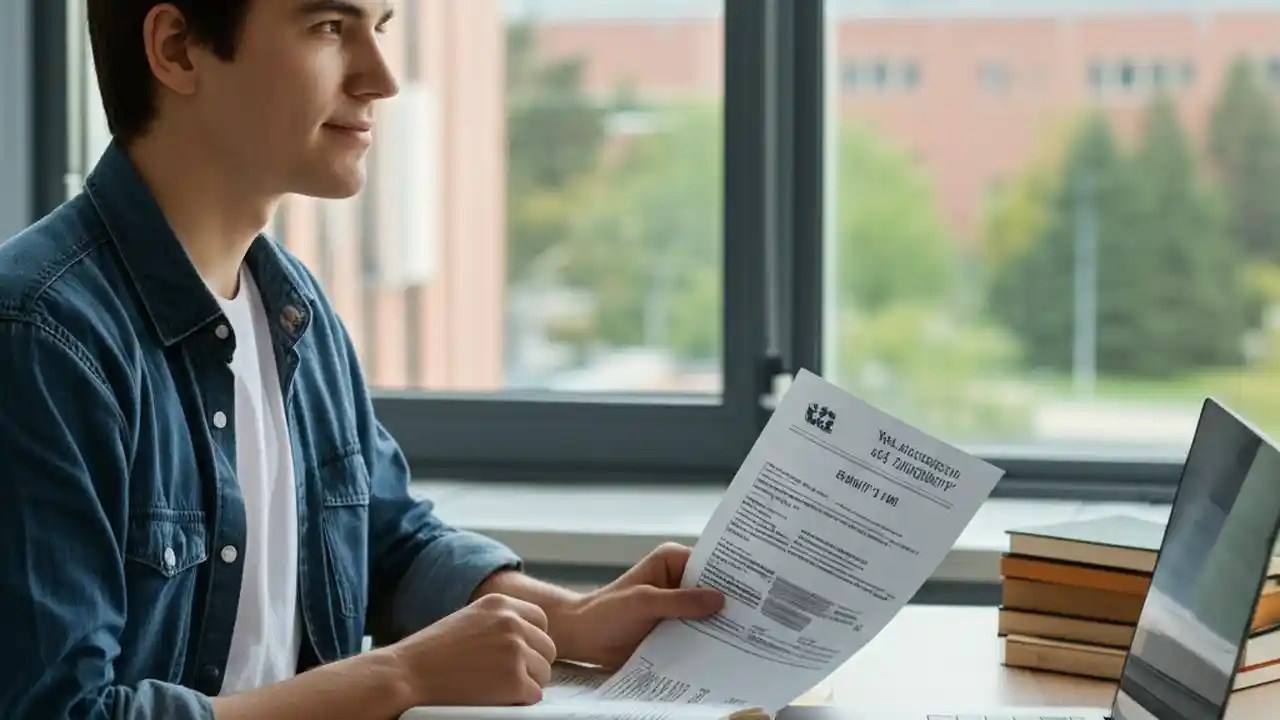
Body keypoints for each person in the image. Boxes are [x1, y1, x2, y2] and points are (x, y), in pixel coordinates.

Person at [0, 1, 725, 718]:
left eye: (379, 29)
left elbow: (388, 546)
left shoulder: (292, 309)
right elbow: (63, 711)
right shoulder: (41, 338)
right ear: (179, 48)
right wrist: (400, 678)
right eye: (329, 28)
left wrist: (575, 619)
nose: (382, 78)